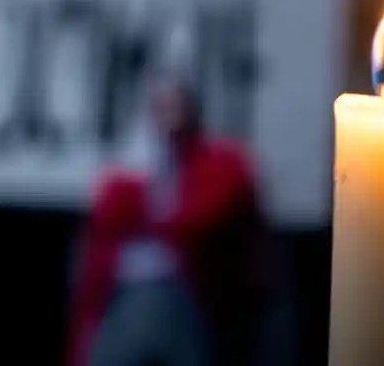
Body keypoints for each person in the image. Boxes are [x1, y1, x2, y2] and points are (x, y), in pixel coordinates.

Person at [67, 72, 266, 366]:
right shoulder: (131, 168)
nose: (168, 116)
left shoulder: (220, 162)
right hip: (125, 296)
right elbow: (104, 236)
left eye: (174, 105)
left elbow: (205, 218)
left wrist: (156, 216)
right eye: (159, 106)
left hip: (191, 296)